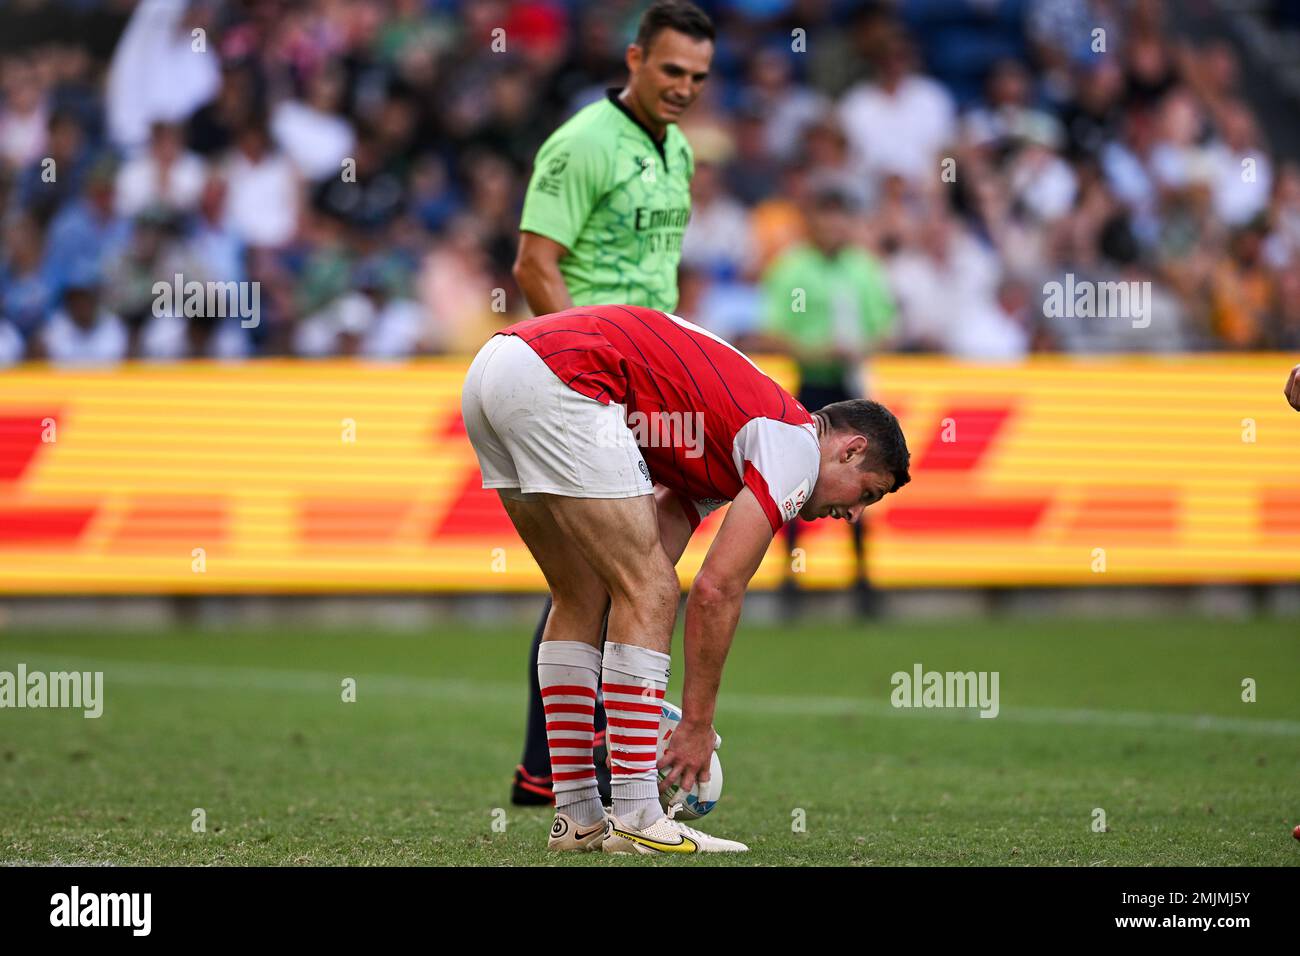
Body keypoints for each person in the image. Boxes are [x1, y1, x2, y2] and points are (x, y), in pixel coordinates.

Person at [461, 304, 910, 853]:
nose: (855, 513)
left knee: (584, 593)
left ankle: (579, 816)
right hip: (561, 376)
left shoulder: (740, 437)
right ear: (851, 449)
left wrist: (640, 695)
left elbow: (653, 554)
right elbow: (716, 590)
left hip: (495, 369)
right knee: (649, 588)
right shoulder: (793, 444)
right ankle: (637, 816)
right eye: (866, 493)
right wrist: (695, 724)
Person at [506, 0, 714, 807]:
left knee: (604, 572)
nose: (684, 87)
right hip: (591, 380)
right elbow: (533, 262)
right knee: (610, 574)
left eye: (697, 76)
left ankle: (545, 769)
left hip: (650, 379)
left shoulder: (681, 152)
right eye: (670, 70)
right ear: (634, 60)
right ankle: (563, 766)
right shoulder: (582, 144)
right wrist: (575, 377)